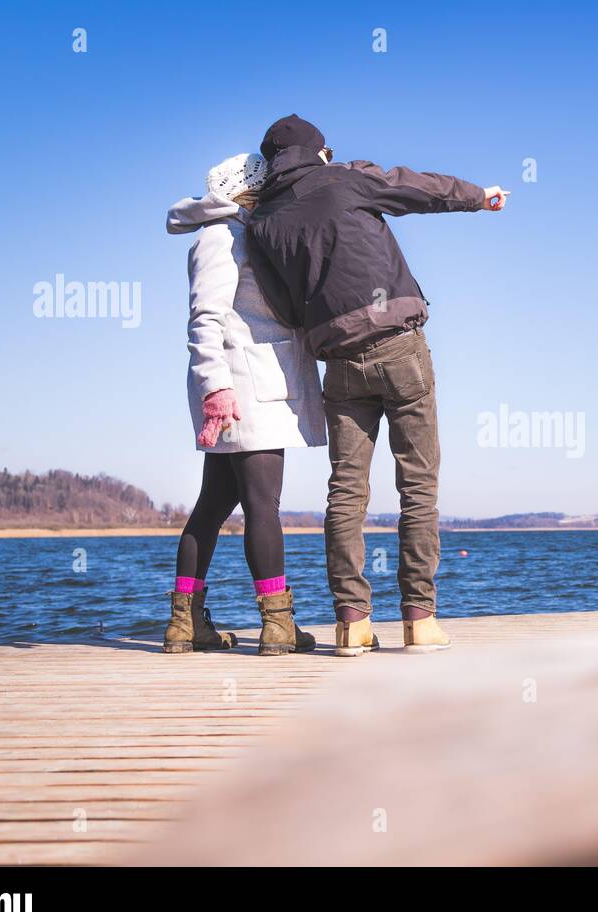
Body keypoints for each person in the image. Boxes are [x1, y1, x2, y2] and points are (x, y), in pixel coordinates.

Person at [246, 114, 507, 656]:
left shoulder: (262, 223)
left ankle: (351, 625)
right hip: (399, 346)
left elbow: (282, 306)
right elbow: (415, 187)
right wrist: (480, 196)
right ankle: (419, 618)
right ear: (317, 151)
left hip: (337, 362)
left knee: (345, 492)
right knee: (418, 486)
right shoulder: (343, 178)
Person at [162, 152, 327, 655]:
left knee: (213, 505)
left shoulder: (236, 231)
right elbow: (204, 321)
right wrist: (215, 388)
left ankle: (185, 624)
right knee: (263, 505)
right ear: (247, 191)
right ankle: (277, 624)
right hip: (241, 393)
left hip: (243, 390)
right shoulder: (221, 237)